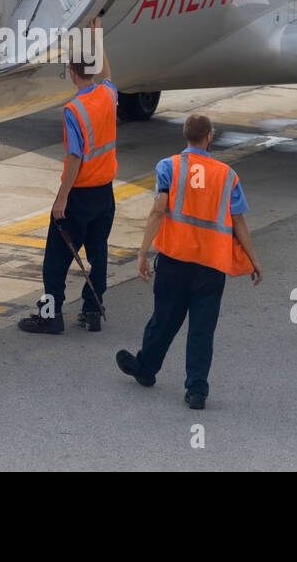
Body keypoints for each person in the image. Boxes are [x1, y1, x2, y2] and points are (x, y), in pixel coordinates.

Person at [116, 114, 262, 409]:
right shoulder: (227, 175)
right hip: (211, 265)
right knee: (202, 329)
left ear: (185, 135)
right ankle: (197, 390)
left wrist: (143, 252)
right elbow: (238, 221)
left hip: (175, 260)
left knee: (164, 320)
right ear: (209, 136)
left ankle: (145, 369)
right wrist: (253, 260)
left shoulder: (168, 167)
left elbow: (159, 210)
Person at [19, 17, 117, 334]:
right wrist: (97, 34)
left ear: (72, 74)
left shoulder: (74, 110)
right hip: (105, 195)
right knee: (98, 256)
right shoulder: (108, 94)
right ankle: (91, 311)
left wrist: (61, 198)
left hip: (78, 196)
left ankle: (51, 315)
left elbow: (75, 157)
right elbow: (108, 73)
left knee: (56, 261)